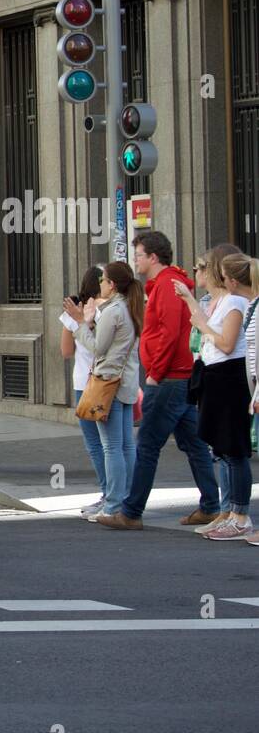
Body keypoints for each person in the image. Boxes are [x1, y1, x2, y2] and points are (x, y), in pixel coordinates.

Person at [97, 231, 220, 530]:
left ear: (153, 257)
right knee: (193, 444)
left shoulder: (165, 285)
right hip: (177, 378)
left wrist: (155, 373)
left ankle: (131, 511)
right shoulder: (166, 283)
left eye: (138, 255)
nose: (135, 260)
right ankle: (211, 505)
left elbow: (169, 333)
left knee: (148, 446)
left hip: (167, 380)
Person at [175, 249, 257, 540]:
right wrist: (188, 299)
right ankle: (227, 512)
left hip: (229, 377)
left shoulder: (236, 301)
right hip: (214, 375)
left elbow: (225, 343)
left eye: (201, 267)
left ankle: (240, 514)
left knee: (233, 450)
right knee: (221, 450)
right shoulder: (222, 300)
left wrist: (204, 327)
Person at [70, 262, 143, 523]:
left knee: (111, 446)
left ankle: (113, 504)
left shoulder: (114, 310)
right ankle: (125, 502)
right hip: (125, 383)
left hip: (108, 384)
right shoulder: (130, 307)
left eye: (103, 280)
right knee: (125, 446)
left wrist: (80, 324)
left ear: (112, 285)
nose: (100, 284)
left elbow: (97, 348)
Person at [60, 266, 108, 516]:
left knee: (96, 443)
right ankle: (116, 494)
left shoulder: (74, 311)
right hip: (111, 381)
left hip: (85, 384)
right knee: (115, 443)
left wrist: (76, 323)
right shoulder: (114, 308)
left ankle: (108, 494)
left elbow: (66, 352)